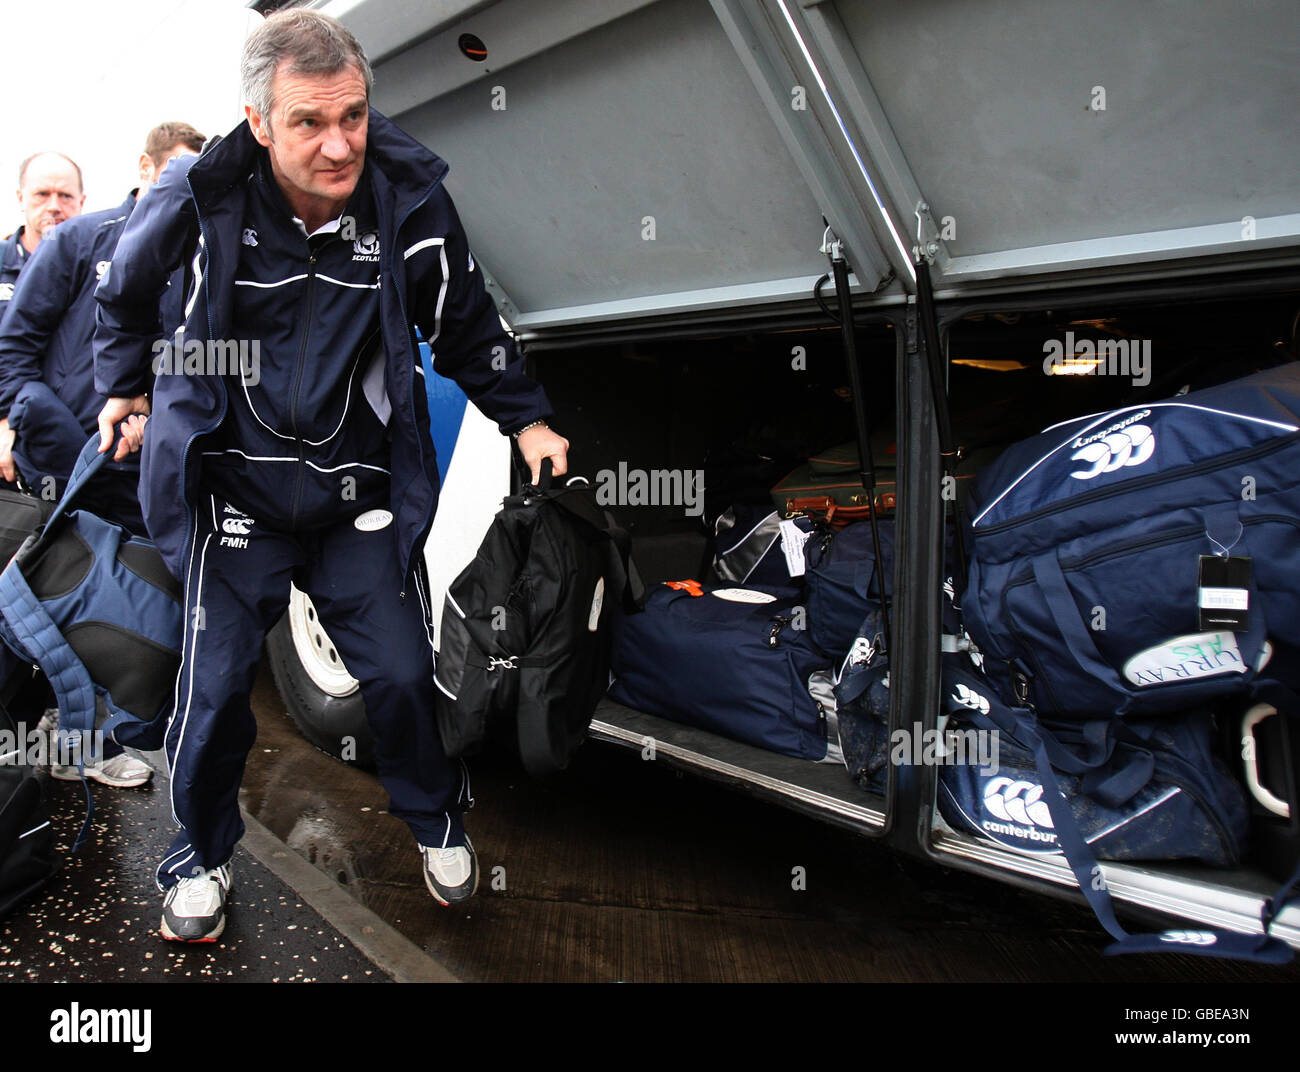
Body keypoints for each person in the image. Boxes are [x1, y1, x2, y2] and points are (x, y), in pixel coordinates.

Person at [93, 9, 569, 942]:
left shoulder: (408, 199)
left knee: (397, 676)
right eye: (309, 122)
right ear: (259, 121)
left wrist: (531, 418)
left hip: (357, 496)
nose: (339, 142)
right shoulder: (199, 194)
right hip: (238, 495)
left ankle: (436, 826)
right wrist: (126, 390)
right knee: (219, 686)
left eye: (352, 115)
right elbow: (124, 289)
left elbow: (465, 320)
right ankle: (199, 857)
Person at [0, 124, 205, 500]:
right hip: (57, 458)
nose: (185, 187)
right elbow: (14, 341)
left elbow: (192, 360)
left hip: (141, 466)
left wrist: (154, 413)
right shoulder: (78, 238)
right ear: (147, 167)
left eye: (195, 176)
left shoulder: (204, 257)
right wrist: (6, 422)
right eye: (177, 171)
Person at [1, 153, 86, 327]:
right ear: (21, 198)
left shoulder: (101, 270)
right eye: (42, 194)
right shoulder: (3, 261)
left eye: (65, 196)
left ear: (81, 201)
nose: (54, 206)